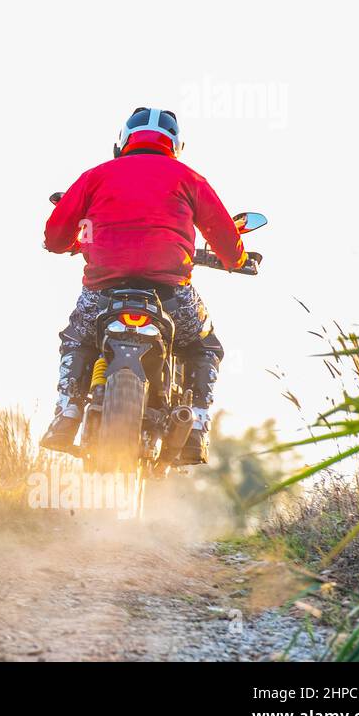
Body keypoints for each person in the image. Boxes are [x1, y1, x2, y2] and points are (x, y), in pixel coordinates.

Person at [39, 107, 247, 465]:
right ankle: (196, 424)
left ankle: (67, 412)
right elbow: (224, 235)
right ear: (176, 144)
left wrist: (73, 243)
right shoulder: (189, 178)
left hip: (103, 293)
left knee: (77, 339)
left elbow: (56, 236)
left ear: (122, 141)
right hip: (171, 295)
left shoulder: (95, 177)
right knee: (203, 347)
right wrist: (238, 261)